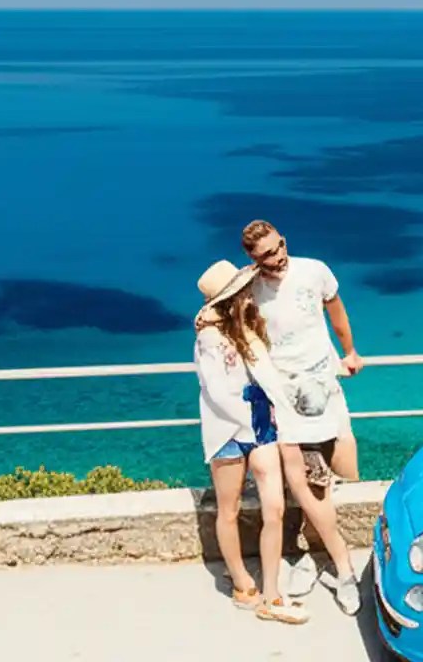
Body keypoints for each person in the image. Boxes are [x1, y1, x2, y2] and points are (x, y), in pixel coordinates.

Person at [240, 219, 363, 614]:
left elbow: (337, 313)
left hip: (324, 388)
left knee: (325, 478)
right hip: (285, 399)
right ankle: (344, 568)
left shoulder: (315, 270)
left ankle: (314, 554)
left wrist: (351, 352)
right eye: (267, 255)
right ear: (253, 259)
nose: (277, 258)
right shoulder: (250, 290)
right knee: (305, 481)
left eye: (279, 247)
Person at [194, 260, 310, 625]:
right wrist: (252, 420)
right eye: (242, 290)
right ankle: (244, 583)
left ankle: (272, 592)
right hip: (229, 430)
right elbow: (216, 390)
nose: (249, 293)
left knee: (273, 507)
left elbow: (267, 374)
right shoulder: (209, 338)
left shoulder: (248, 326)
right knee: (227, 511)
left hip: (260, 423)